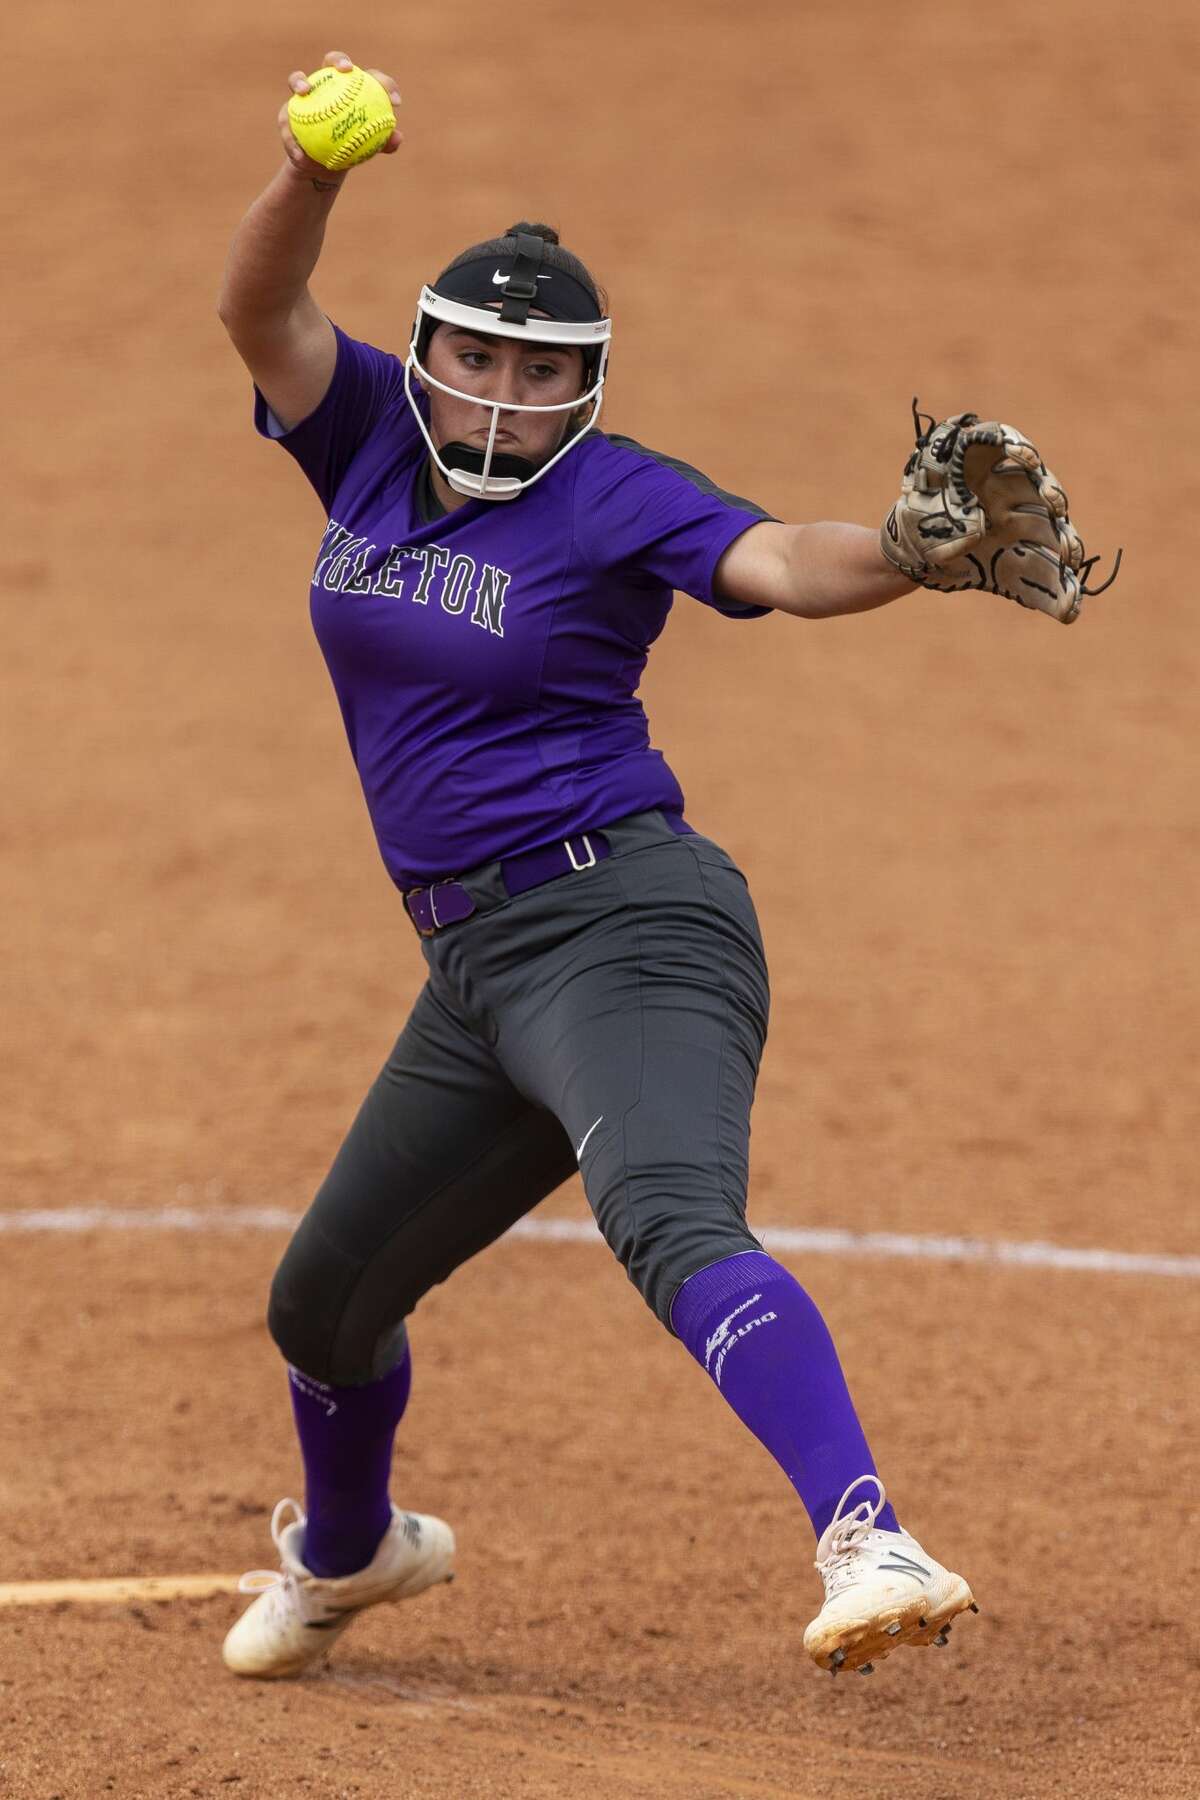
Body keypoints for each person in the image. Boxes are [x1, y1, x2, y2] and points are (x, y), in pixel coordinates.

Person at [216, 48, 981, 1685]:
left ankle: (869, 1532)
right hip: (476, 967)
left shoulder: (620, 497)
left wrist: (914, 552)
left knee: (667, 1214)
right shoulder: (360, 439)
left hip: (624, 926)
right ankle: (348, 1558)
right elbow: (259, 311)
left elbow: (780, 558)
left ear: (588, 390)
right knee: (323, 1305)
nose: (497, 391)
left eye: (536, 369)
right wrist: (313, 172)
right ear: (420, 357)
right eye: (470, 354)